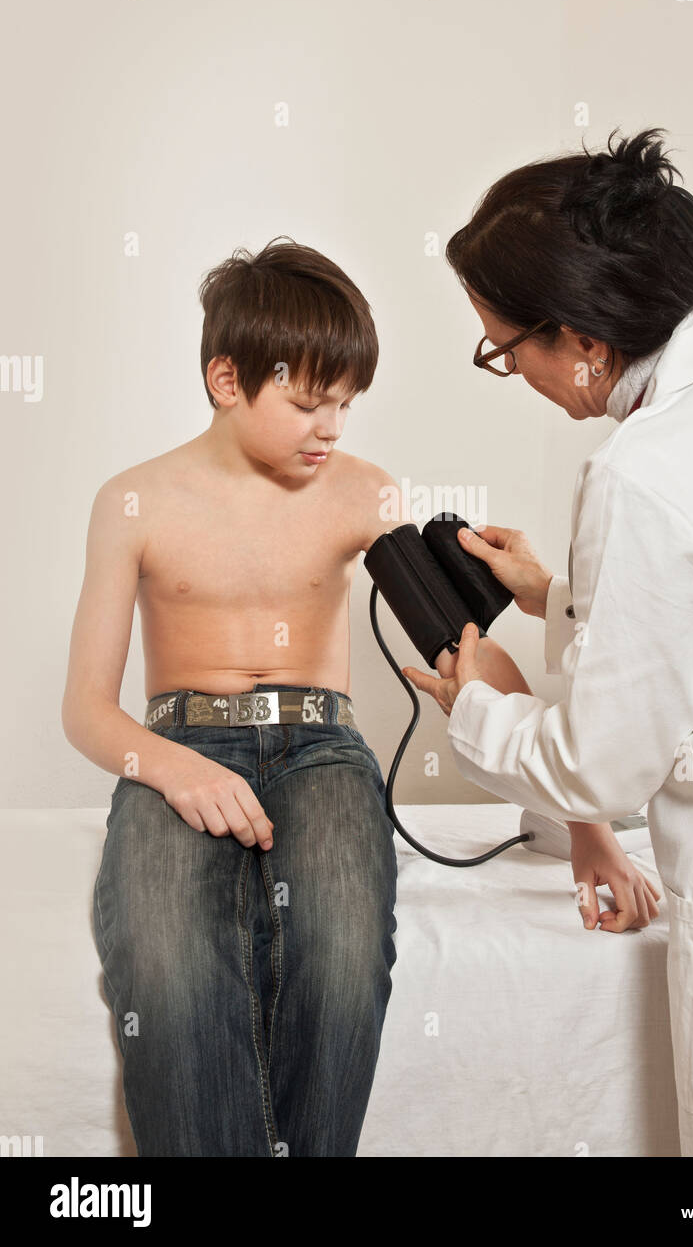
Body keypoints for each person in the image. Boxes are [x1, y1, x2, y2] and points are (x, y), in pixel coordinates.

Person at [403, 127, 693, 1157]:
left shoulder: (643, 475)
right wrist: (563, 596)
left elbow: (602, 767)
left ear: (580, 343)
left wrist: (478, 698)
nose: (510, 369)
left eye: (502, 349)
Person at [63, 238, 415, 1157]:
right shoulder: (133, 500)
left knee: (342, 959)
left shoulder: (366, 495)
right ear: (227, 378)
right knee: (167, 970)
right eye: (308, 402)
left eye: (344, 403)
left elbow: (464, 651)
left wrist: (582, 825)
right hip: (183, 746)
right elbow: (87, 709)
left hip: (323, 748)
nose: (331, 428)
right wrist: (174, 771)